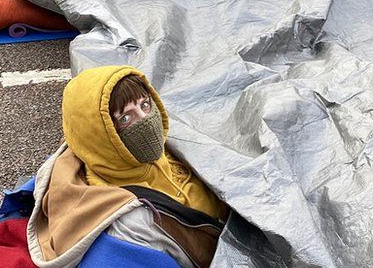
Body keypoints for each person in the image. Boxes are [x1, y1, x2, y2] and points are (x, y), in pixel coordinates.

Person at [27, 65, 228, 268]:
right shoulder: (130, 223)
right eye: (126, 118)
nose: (145, 120)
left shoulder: (172, 149)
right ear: (102, 136)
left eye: (145, 105)